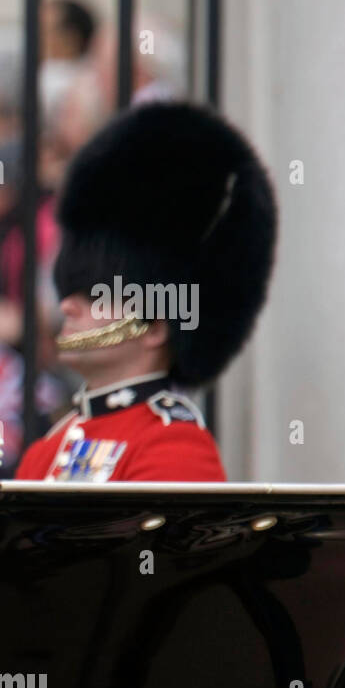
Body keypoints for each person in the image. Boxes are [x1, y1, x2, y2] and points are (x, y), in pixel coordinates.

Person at [16, 102, 277, 482]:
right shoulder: (48, 449)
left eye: (95, 295)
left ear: (154, 326)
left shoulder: (175, 447)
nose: (68, 305)